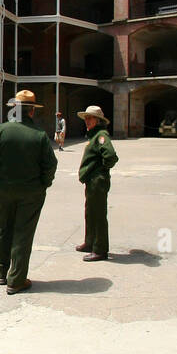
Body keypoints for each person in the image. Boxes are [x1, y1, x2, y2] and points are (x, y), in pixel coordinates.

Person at [0, 90, 57, 294]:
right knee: (23, 232)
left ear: (15, 109)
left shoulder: (1, 131)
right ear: (32, 111)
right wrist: (43, 184)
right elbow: (50, 165)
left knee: (2, 228)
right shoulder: (39, 135)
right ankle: (17, 279)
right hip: (31, 192)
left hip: (5, 190)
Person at [73, 104, 117, 261]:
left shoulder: (101, 135)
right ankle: (90, 242)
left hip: (97, 181)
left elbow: (111, 156)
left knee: (98, 214)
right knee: (90, 213)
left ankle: (100, 249)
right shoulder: (93, 135)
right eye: (86, 118)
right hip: (91, 181)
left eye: (90, 118)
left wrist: (100, 170)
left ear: (98, 120)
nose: (87, 120)